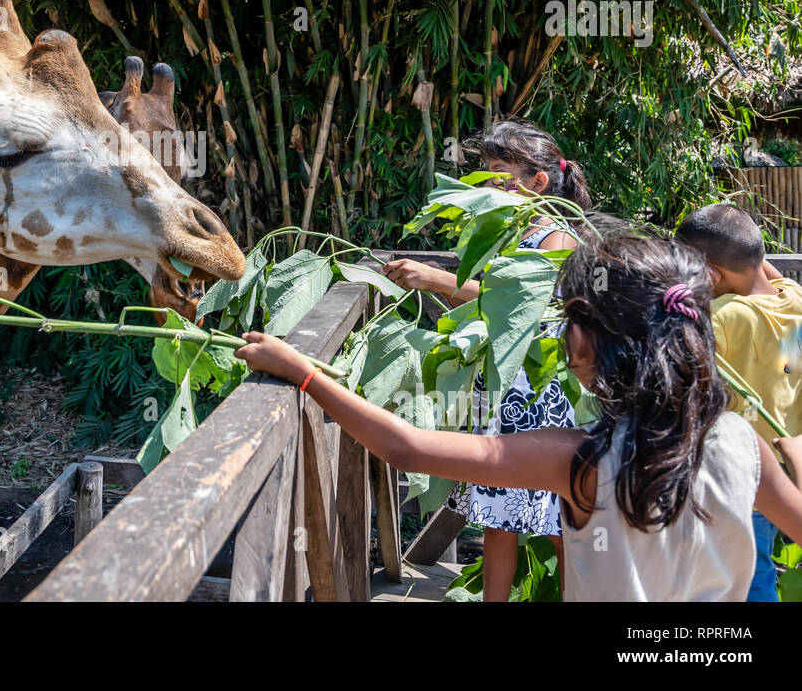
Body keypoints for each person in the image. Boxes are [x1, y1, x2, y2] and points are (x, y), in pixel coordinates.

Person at [237, 232, 802, 601]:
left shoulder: (578, 458)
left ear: (592, 341)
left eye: (569, 318)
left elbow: (406, 447)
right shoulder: (743, 443)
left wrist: (304, 373)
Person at [382, 119, 591, 600]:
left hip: (540, 398)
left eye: (498, 171)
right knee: (497, 516)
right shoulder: (515, 232)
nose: (487, 181)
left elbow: (520, 308)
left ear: (537, 181)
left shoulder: (559, 237)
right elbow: (493, 306)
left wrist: (436, 280)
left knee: (559, 519)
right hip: (504, 389)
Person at [675, 203, 802, 601]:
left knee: (747, 574)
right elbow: (758, 268)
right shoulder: (793, 295)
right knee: (759, 564)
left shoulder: (721, 317)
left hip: (740, 471)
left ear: (710, 275)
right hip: (786, 465)